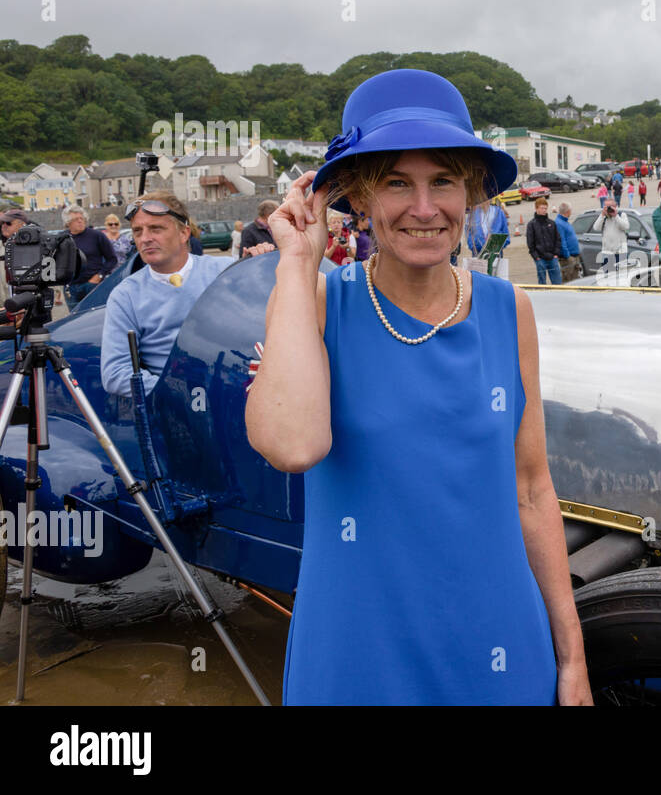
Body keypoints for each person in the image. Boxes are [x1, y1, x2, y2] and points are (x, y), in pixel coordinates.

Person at [247, 68, 589, 706]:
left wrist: (571, 659)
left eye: (444, 182)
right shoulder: (317, 303)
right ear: (358, 197)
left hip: (497, 641)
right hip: (359, 649)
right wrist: (298, 261)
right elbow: (291, 447)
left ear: (470, 195)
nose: (425, 209)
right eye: (397, 184)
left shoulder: (508, 309)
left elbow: (533, 488)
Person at [100, 192, 273, 397]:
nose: (145, 238)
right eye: (138, 231)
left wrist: (262, 266)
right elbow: (115, 373)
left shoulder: (226, 270)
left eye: (156, 228)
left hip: (244, 389)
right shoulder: (125, 295)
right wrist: (178, 393)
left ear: (184, 233)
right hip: (182, 408)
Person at [63, 206, 118, 307]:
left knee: (95, 319)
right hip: (71, 288)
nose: (80, 221)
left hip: (92, 285)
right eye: (76, 219)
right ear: (68, 222)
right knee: (74, 321)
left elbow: (112, 259)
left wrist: (99, 276)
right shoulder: (62, 238)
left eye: (82, 218)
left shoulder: (97, 235)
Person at [525, 196, 563, 284]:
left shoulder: (552, 223)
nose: (544, 210)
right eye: (542, 208)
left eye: (545, 208)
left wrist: (556, 254)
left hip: (553, 258)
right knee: (542, 283)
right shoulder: (531, 225)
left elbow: (558, 239)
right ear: (536, 208)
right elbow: (530, 243)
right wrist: (536, 257)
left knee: (557, 282)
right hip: (540, 259)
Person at [592, 197, 630, 273]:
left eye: (610, 206)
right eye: (606, 206)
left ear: (615, 206)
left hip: (620, 253)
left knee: (621, 277)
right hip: (607, 253)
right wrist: (602, 215)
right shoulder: (604, 217)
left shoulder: (621, 215)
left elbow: (626, 226)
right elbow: (596, 228)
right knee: (608, 278)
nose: (608, 209)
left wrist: (616, 216)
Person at [555, 202, 582, 282]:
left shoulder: (564, 222)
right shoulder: (559, 223)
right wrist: (568, 256)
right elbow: (562, 241)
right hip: (568, 258)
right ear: (567, 211)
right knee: (570, 281)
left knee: (574, 279)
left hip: (574, 256)